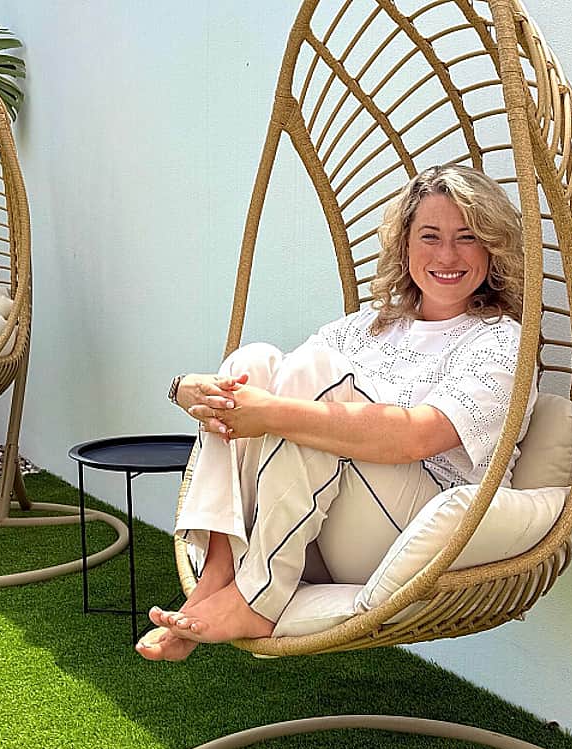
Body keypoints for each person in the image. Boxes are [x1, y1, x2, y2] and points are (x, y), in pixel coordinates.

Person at [137, 164, 535, 662]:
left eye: (467, 238)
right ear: (405, 246)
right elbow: (267, 388)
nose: (447, 256)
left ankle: (258, 595)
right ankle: (218, 569)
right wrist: (188, 390)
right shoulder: (367, 326)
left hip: (405, 528)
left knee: (309, 372)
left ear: (493, 247)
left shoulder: (500, 341)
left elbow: (415, 439)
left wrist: (269, 413)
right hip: (322, 521)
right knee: (251, 361)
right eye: (429, 236)